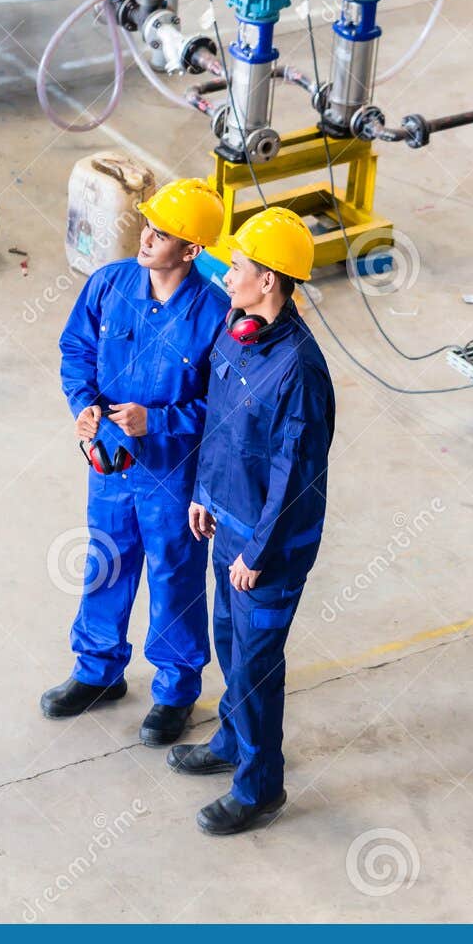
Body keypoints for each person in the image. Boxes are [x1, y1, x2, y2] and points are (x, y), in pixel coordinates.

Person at [45, 178, 230, 747]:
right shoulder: (109, 284)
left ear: (192, 250)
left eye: (164, 233)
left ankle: (176, 691)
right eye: (149, 225)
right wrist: (85, 409)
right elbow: (76, 350)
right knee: (106, 561)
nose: (147, 237)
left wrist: (159, 422)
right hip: (110, 463)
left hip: (173, 472)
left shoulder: (215, 312)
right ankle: (98, 672)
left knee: (173, 576)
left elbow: (226, 406)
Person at [169, 206, 335, 835]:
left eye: (237, 265)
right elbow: (219, 425)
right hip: (225, 520)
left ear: (269, 279)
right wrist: (203, 494)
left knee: (256, 665)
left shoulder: (298, 369)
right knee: (229, 644)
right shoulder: (237, 330)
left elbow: (297, 478)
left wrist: (258, 555)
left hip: (269, 547)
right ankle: (232, 742)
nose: (226, 272)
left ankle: (260, 788)